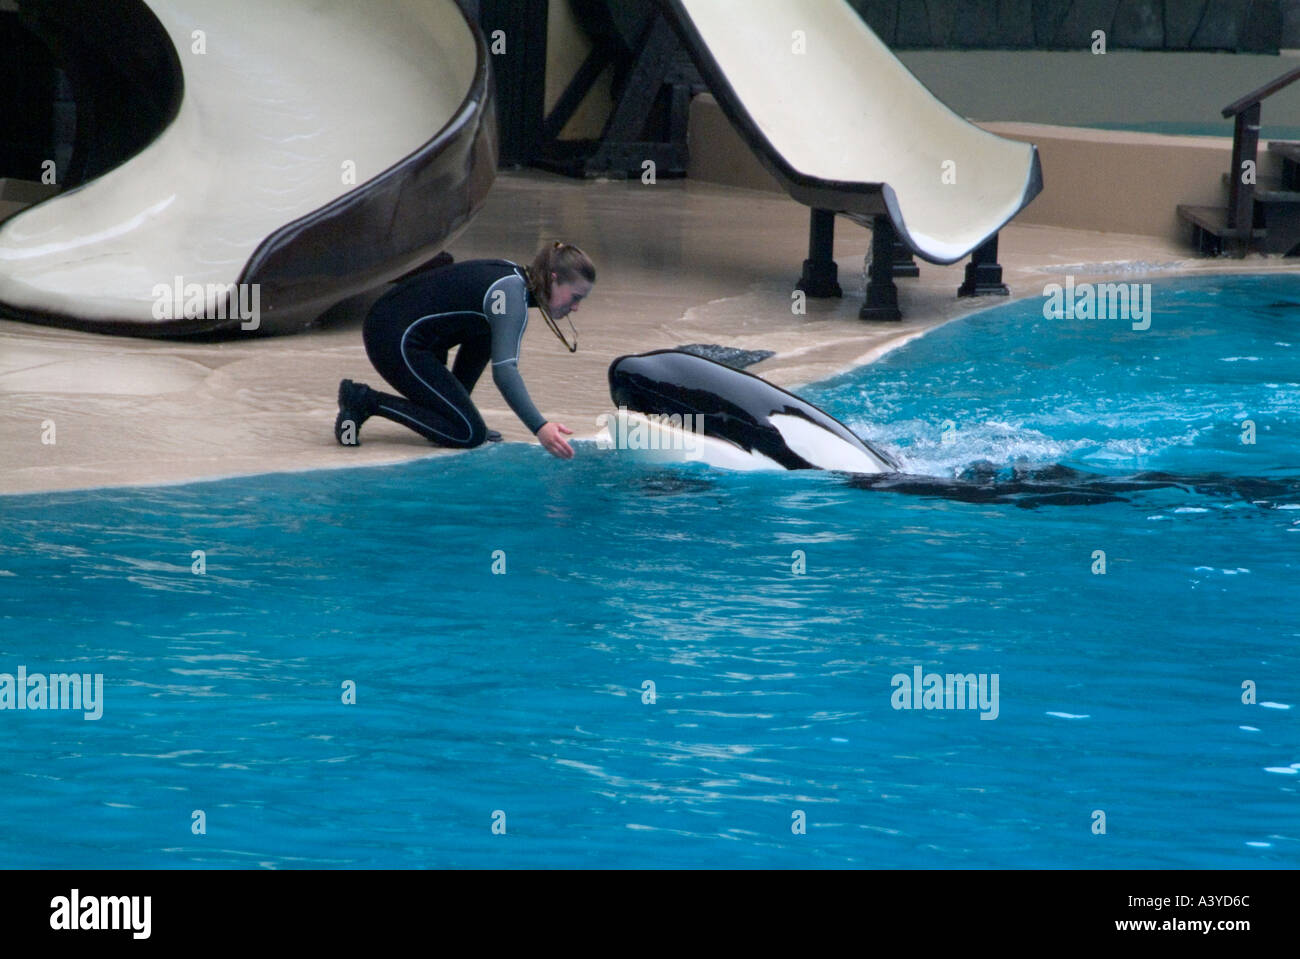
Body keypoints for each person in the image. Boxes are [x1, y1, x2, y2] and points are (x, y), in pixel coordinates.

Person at [335, 242, 595, 459]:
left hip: (410, 332)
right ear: (554, 279)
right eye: (575, 297)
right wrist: (540, 427)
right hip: (393, 337)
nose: (576, 308)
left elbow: (478, 343)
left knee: (484, 336)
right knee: (466, 435)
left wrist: (461, 409)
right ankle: (364, 400)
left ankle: (458, 416)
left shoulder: (515, 281)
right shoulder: (511, 295)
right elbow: (505, 371)